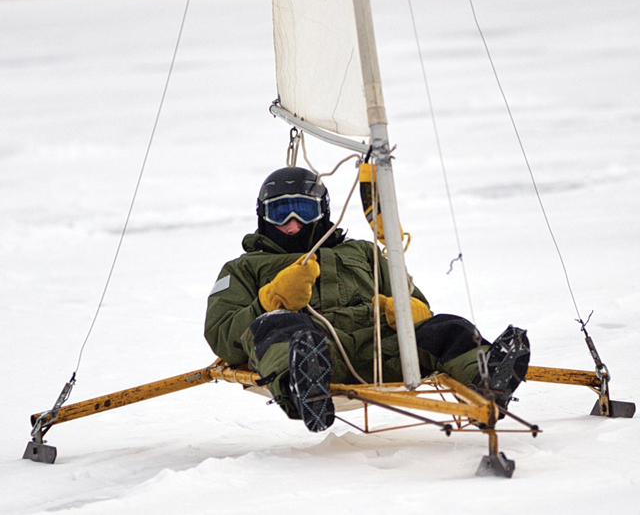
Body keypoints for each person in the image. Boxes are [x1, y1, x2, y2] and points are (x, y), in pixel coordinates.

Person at [204, 166, 530, 432]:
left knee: (449, 327)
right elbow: (221, 335)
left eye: (304, 210)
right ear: (263, 216)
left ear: (324, 212)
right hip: (315, 353)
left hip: (379, 352)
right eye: (280, 211)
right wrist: (270, 301)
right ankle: (305, 387)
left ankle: (488, 379)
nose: (292, 223)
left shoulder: (362, 252)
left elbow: (416, 302)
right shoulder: (244, 267)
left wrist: (408, 312)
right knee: (280, 327)